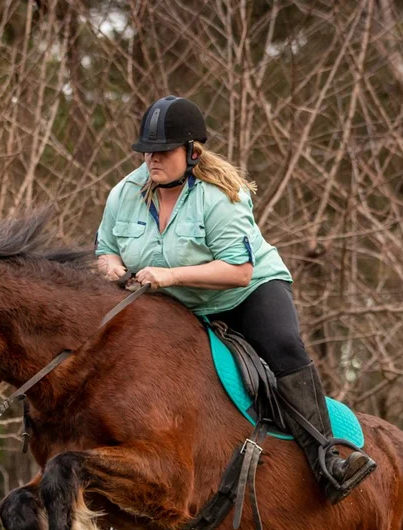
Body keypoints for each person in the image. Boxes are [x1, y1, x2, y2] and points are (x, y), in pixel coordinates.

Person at [94, 95, 375, 504]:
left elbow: (238, 270)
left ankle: (327, 459)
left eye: (164, 152)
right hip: (172, 304)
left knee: (282, 346)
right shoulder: (125, 193)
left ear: (192, 152)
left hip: (246, 293)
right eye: (147, 152)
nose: (153, 160)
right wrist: (114, 270)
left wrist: (169, 274)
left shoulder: (220, 196)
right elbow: (105, 250)